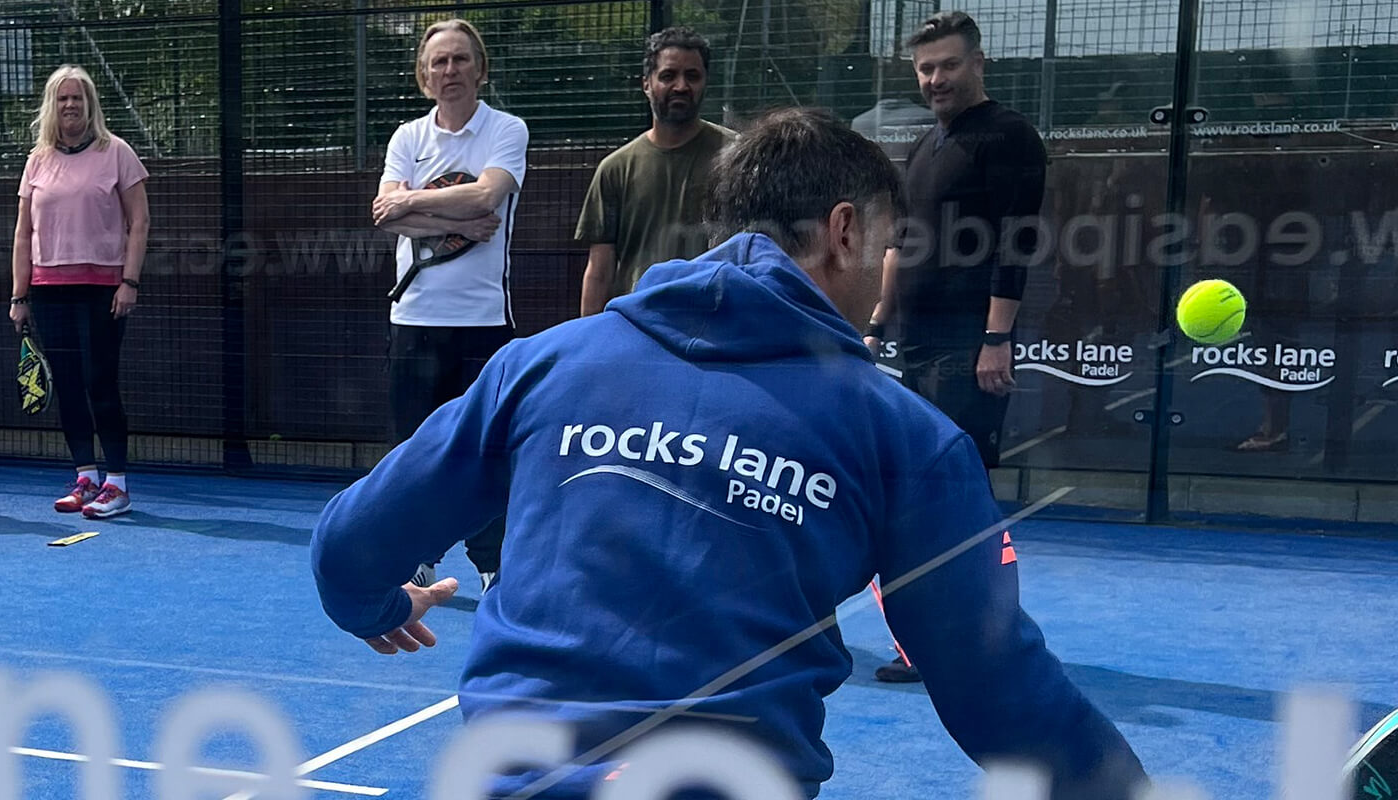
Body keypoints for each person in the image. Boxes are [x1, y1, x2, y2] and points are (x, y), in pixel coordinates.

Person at [309, 107, 1145, 799]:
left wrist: (375, 609)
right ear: (844, 233)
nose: (889, 272)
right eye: (891, 243)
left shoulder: (543, 364)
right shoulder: (907, 438)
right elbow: (1005, 699)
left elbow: (349, 549)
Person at [864, 10, 1048, 683]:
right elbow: (900, 245)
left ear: (978, 63)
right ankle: (944, 632)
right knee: (924, 495)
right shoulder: (924, 146)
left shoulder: (1009, 137)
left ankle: (968, 635)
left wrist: (995, 337)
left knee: (953, 496)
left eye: (948, 65)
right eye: (925, 68)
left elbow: (1016, 242)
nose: (936, 78)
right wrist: (876, 325)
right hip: (914, 344)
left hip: (969, 347)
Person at [370, 18, 526, 591]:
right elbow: (386, 215)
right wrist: (446, 216)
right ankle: (418, 557)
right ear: (424, 75)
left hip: (484, 323)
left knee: (486, 451)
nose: (450, 71)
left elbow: (488, 196)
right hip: (412, 321)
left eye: (460, 60)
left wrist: (413, 210)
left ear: (479, 69)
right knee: (414, 452)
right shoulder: (407, 139)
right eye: (439, 62)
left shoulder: (507, 129)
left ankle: (493, 565)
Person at [8, 64, 150, 520]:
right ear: (52, 105)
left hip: (104, 289)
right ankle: (85, 477)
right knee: (68, 386)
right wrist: (19, 294)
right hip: (49, 290)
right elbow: (22, 233)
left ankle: (118, 484)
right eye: (63, 98)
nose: (71, 105)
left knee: (100, 383)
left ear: (91, 104)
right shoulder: (37, 160)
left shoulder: (117, 153)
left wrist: (129, 281)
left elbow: (140, 222)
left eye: (78, 97)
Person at [575, 26, 735, 317]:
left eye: (693, 76)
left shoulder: (737, 156)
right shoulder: (616, 169)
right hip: (639, 322)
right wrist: (586, 342)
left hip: (716, 319)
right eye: (668, 75)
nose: (681, 86)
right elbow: (599, 270)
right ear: (646, 84)